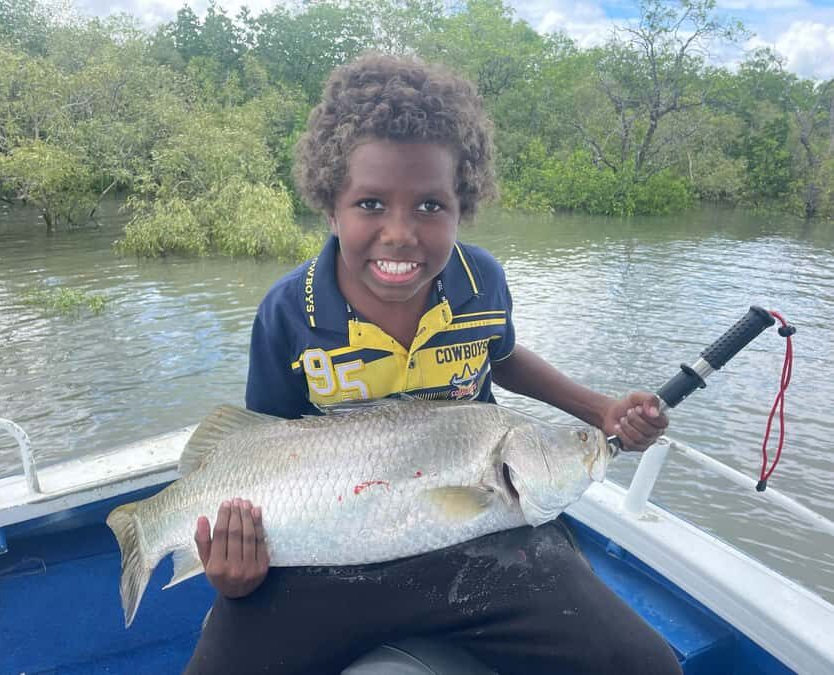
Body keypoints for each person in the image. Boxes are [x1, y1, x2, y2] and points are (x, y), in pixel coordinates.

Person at [185, 53, 680, 675]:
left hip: (482, 543)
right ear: (329, 206)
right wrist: (234, 574)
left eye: (429, 206)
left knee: (643, 666)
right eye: (370, 204)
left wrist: (600, 409)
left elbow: (501, 357)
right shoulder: (289, 312)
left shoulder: (482, 283)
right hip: (331, 554)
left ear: (461, 205)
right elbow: (263, 451)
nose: (400, 233)